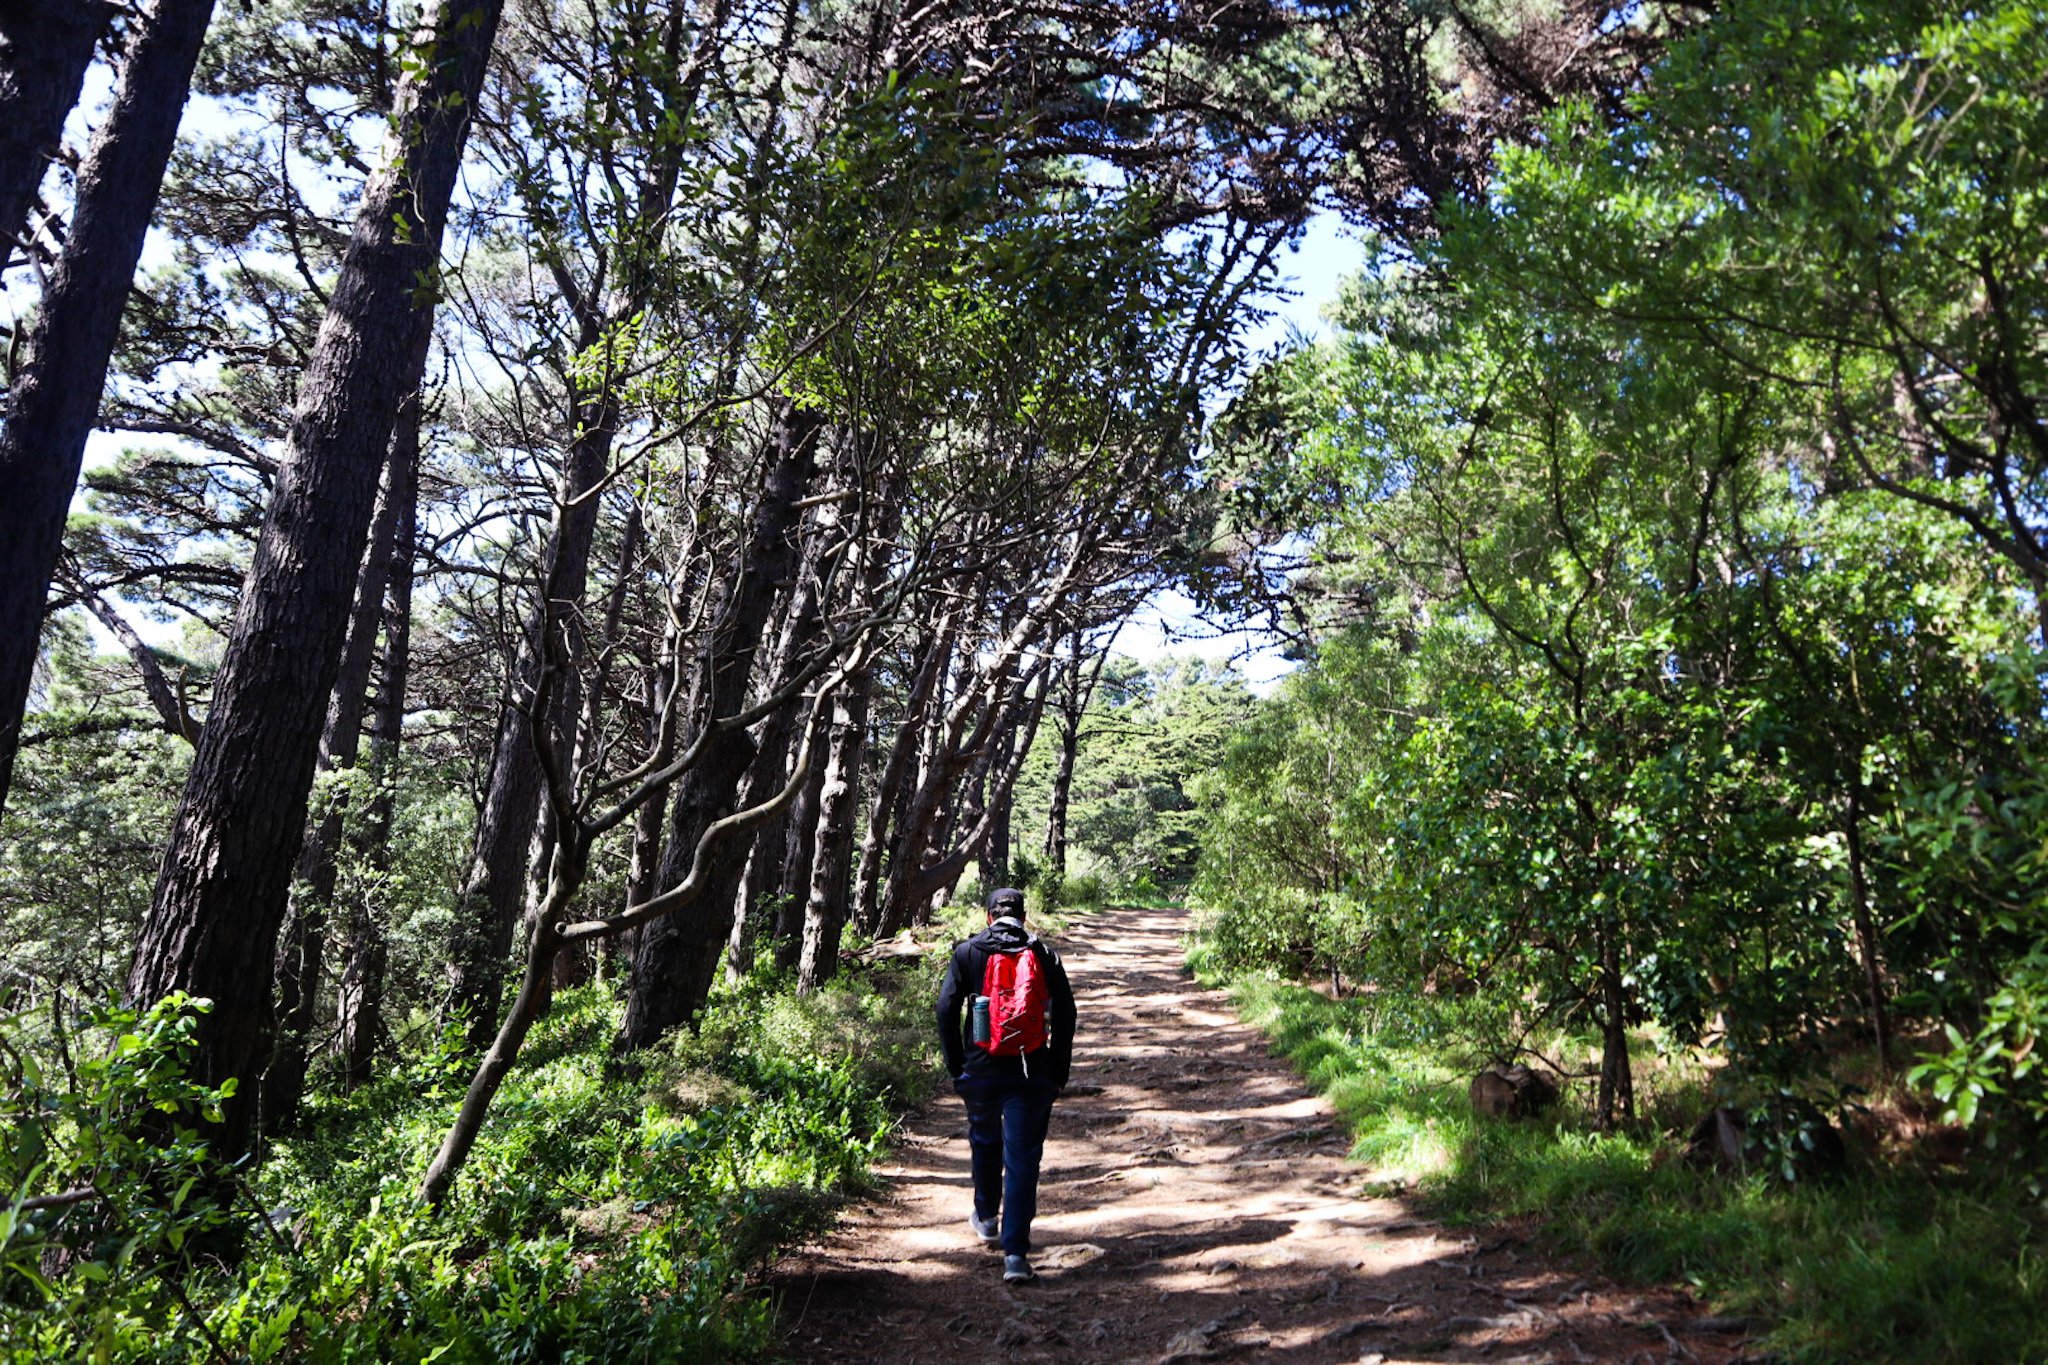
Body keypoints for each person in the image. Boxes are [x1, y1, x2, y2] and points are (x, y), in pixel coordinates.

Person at [935, 886, 1076, 1284]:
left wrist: (956, 1065)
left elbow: (946, 1008)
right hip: (1031, 1072)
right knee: (1022, 1159)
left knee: (984, 1139)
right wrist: (1058, 1070)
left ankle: (985, 1217)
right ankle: (1015, 1256)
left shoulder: (968, 952)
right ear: (1025, 916)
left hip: (980, 1068)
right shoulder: (1044, 954)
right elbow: (1066, 1014)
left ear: (988, 917)